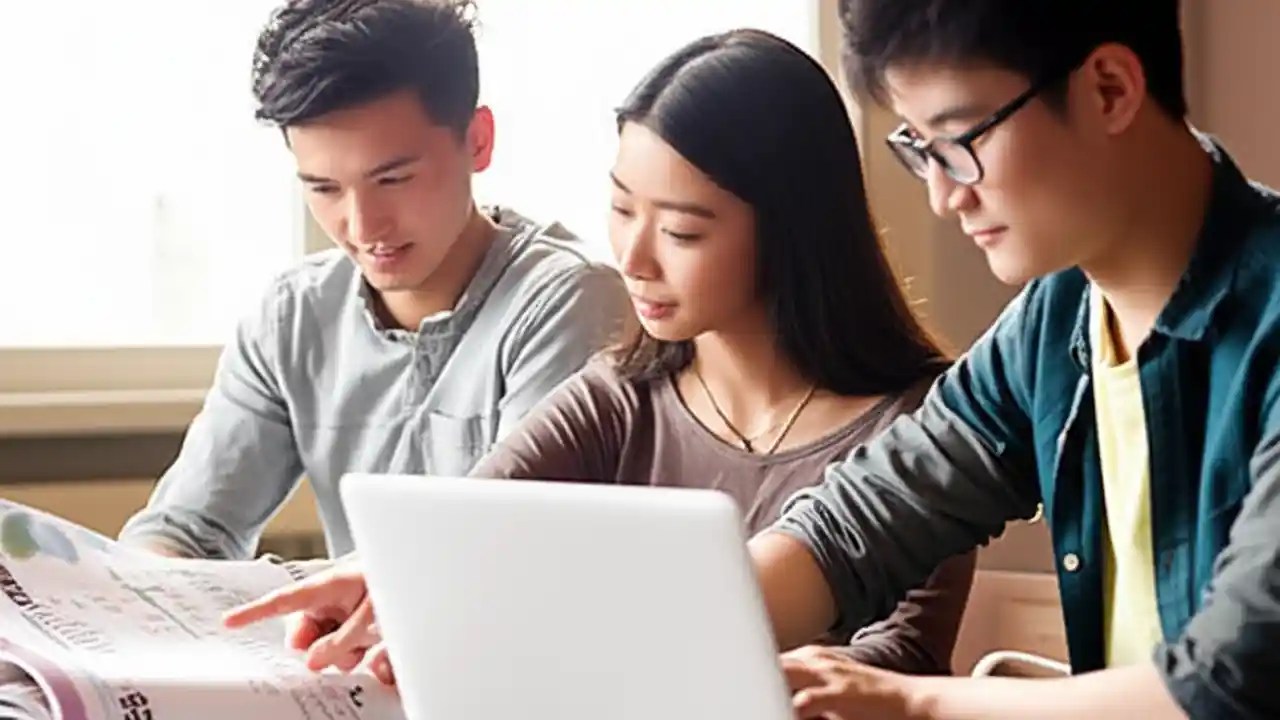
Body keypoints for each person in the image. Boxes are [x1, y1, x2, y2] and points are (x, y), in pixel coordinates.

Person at [223, 29, 975, 683]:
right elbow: (464, 524)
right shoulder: (622, 395)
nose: (634, 258)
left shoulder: (921, 426)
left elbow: (899, 661)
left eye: (681, 231)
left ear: (792, 232)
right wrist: (390, 579)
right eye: (620, 209)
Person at [749, 1, 1280, 718]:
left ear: (1109, 90)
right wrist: (689, 625)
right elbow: (868, 519)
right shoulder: (1056, 315)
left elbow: (1235, 679)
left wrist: (911, 704)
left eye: (958, 140)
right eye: (919, 149)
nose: (943, 196)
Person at [118, 0, 628, 561]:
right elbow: (189, 527)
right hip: (351, 647)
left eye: (394, 179)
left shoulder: (569, 302)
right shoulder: (292, 316)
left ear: (477, 141)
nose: (362, 228)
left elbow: (507, 549)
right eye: (324, 189)